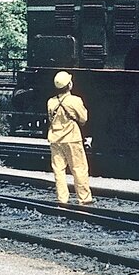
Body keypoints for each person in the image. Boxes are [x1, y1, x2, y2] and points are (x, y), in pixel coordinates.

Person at [47, 71, 93, 205]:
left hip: (55, 139)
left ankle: (62, 199)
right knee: (79, 168)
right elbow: (83, 119)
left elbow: (50, 119)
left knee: (59, 170)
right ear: (69, 85)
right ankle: (84, 198)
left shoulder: (51, 102)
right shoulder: (75, 100)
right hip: (72, 138)